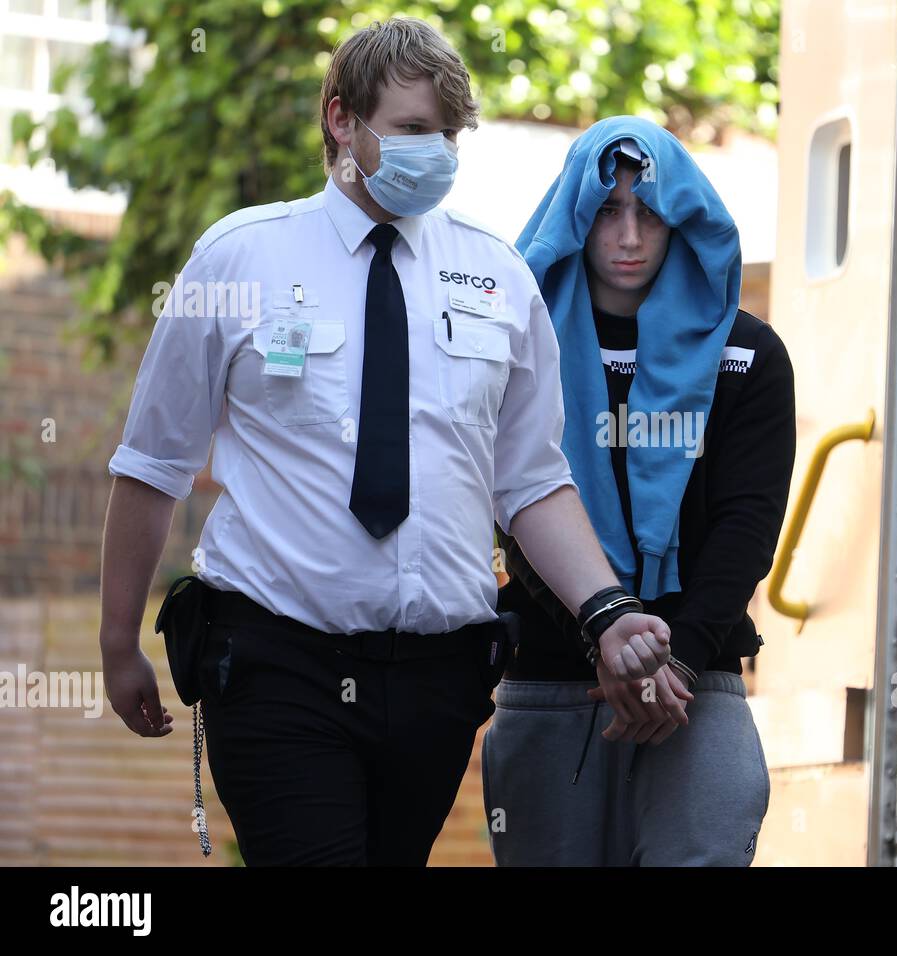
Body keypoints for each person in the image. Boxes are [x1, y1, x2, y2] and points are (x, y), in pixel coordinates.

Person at [97, 20, 670, 867]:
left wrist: (608, 608)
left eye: (449, 134)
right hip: (275, 659)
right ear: (342, 120)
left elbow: (532, 481)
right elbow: (152, 465)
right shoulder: (239, 256)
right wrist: (117, 644)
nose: (434, 151)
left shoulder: (498, 276)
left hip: (437, 680)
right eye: (410, 130)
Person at [483, 117, 797, 866]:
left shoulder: (748, 354)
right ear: (575, 220)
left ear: (681, 219)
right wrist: (605, 648)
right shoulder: (519, 346)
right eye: (606, 212)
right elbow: (516, 510)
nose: (628, 236)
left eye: (649, 213)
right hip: (555, 678)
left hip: (700, 679)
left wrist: (675, 663)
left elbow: (746, 530)